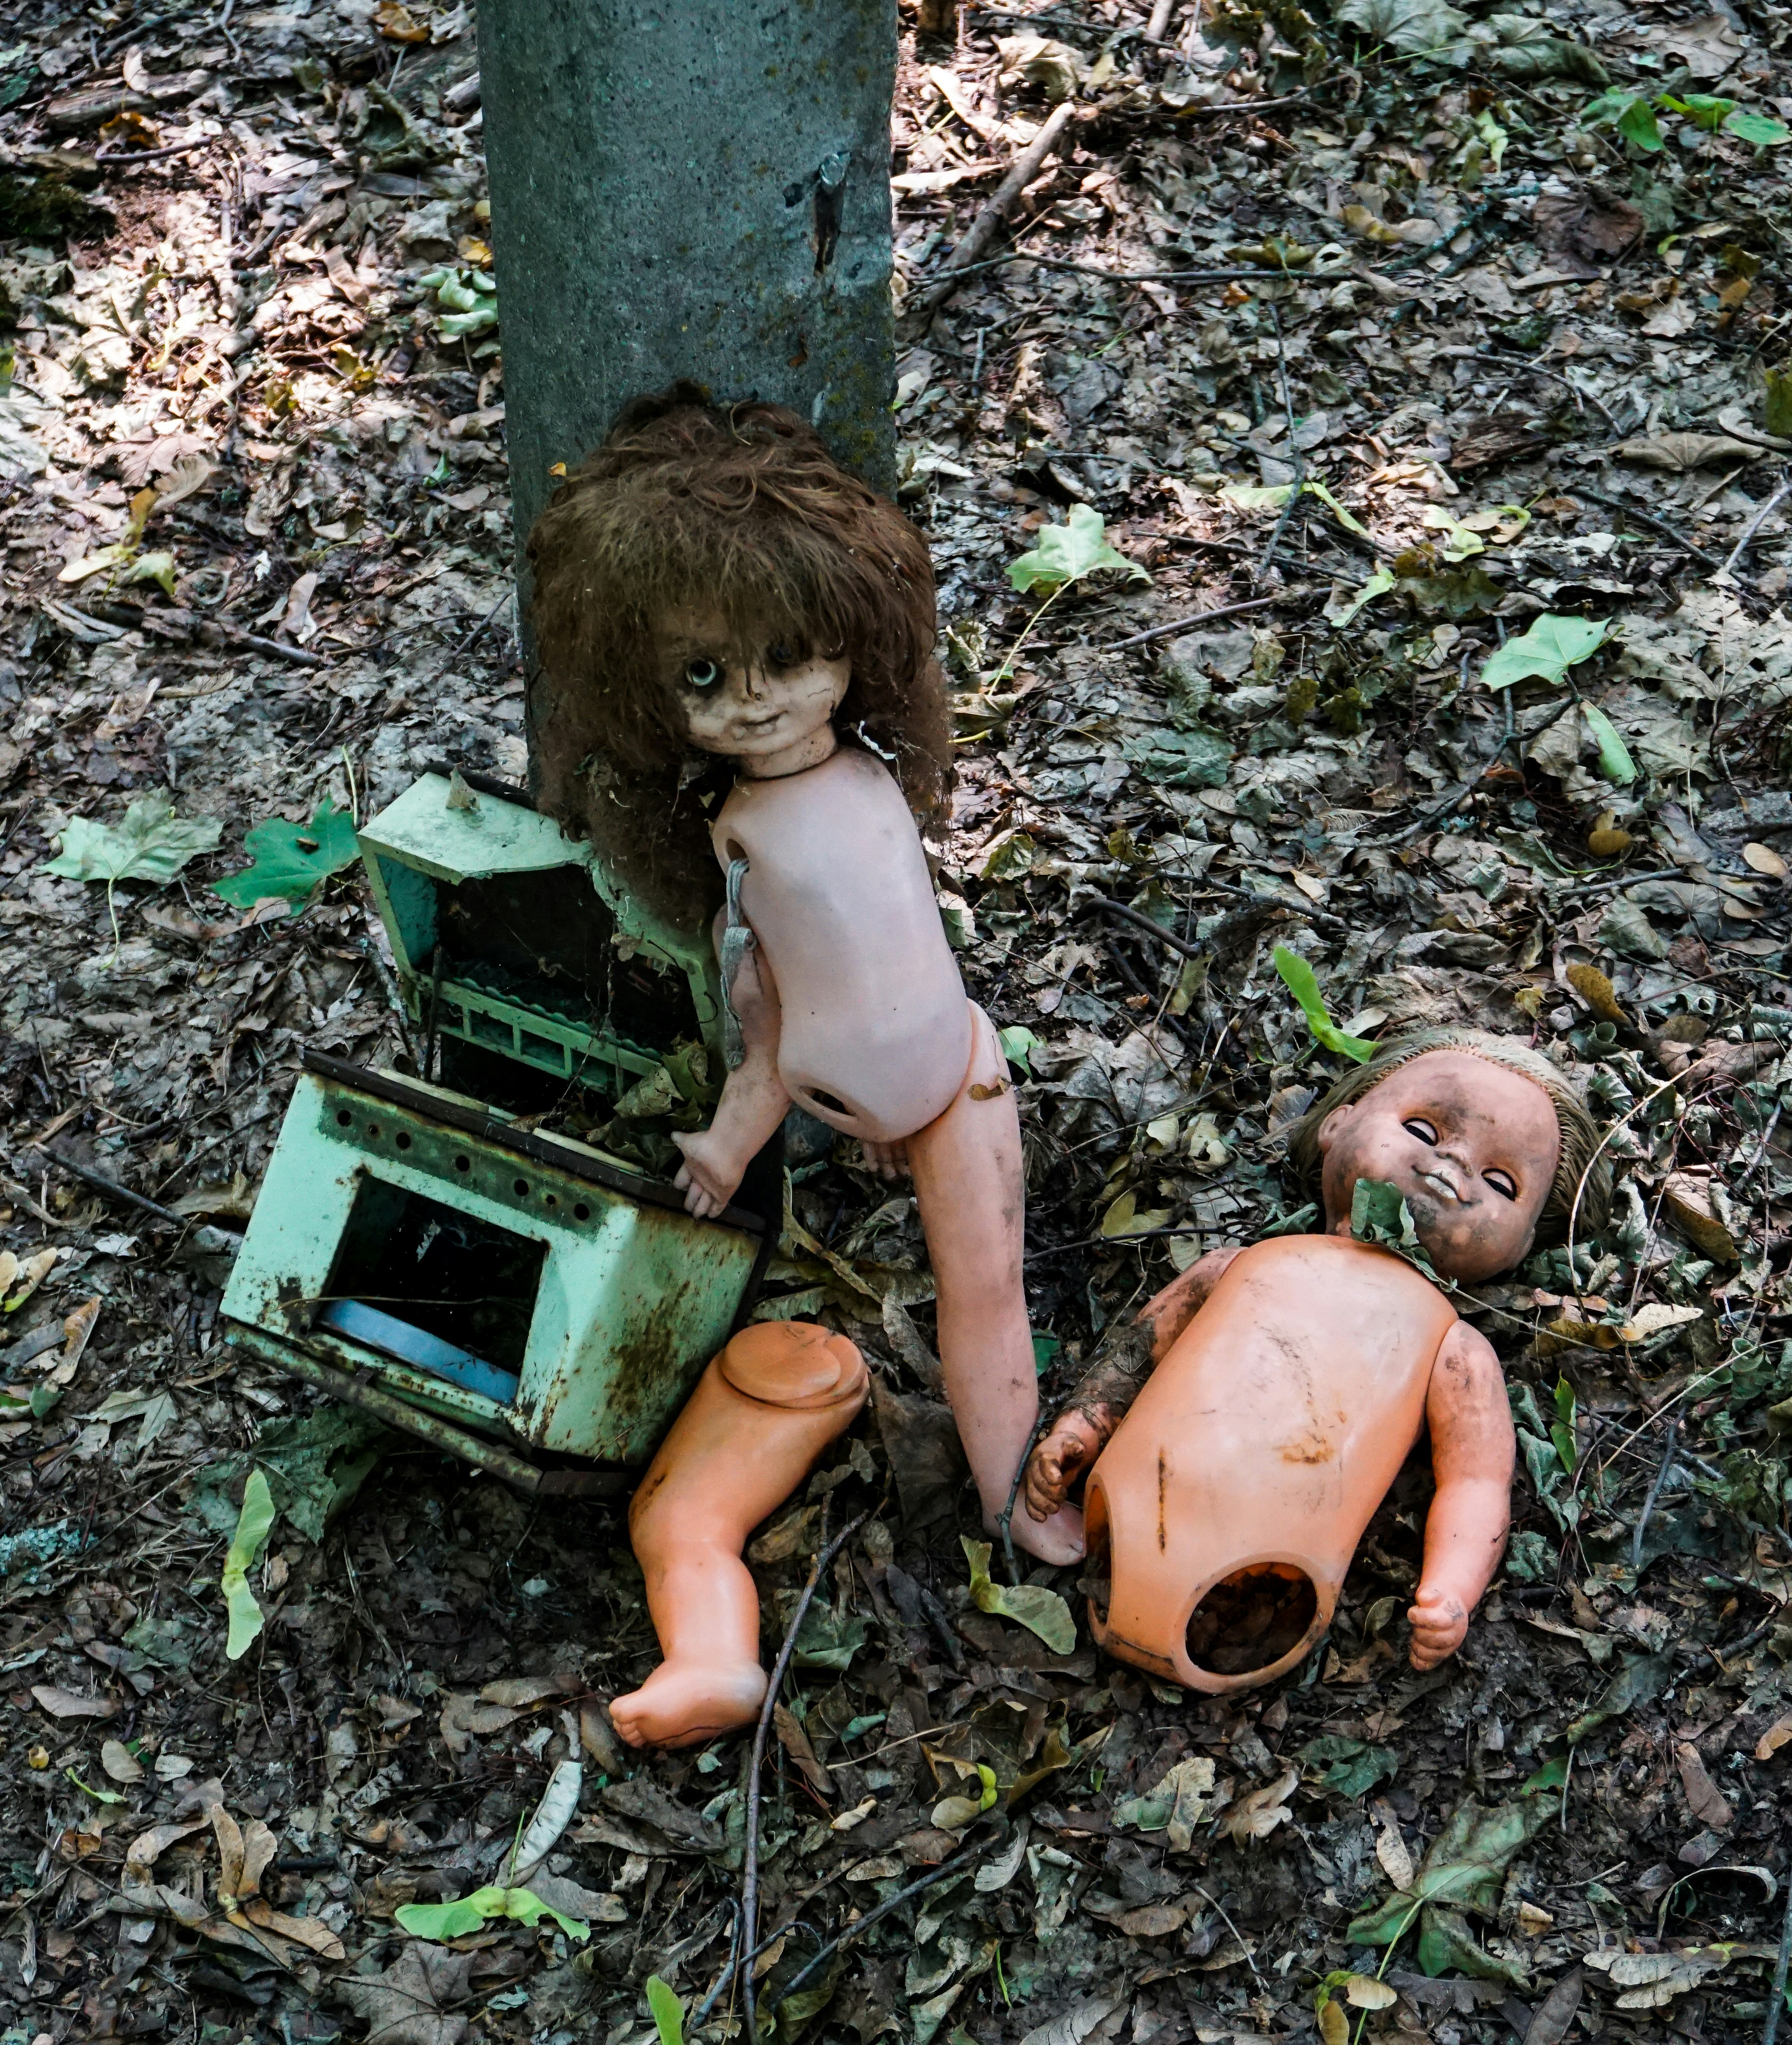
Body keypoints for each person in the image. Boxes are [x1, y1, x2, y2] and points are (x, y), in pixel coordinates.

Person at [528, 387, 1080, 1584]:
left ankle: (1013, 1501)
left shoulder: (876, 775)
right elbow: (769, 1010)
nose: (758, 698)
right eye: (707, 675)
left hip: (956, 1075)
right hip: (845, 1087)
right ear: (652, 690)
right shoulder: (739, 833)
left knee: (984, 1293)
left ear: (851, 638)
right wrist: (731, 1142)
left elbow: (898, 944)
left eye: (789, 655)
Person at [1017, 1030, 1608, 1691]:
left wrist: (1451, 1591)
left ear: (1524, 1245)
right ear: (1337, 1124)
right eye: (1423, 1128)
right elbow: (1141, 1348)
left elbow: (1474, 1485)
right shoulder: (1240, 1267)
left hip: (1276, 1578)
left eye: (1501, 1181)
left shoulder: (1454, 1352)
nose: (1454, 1165)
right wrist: (1082, 1429)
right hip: (1129, 1505)